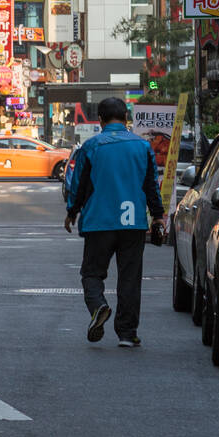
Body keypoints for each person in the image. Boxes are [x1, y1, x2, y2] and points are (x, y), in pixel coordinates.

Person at [64, 97, 164, 348]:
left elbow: (79, 184)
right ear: (126, 119)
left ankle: (98, 306)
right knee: (129, 278)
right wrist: (158, 215)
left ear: (100, 119)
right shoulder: (143, 147)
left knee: (92, 273)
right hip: (133, 225)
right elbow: (151, 185)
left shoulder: (92, 146)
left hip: (100, 221)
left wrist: (72, 211)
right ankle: (127, 333)